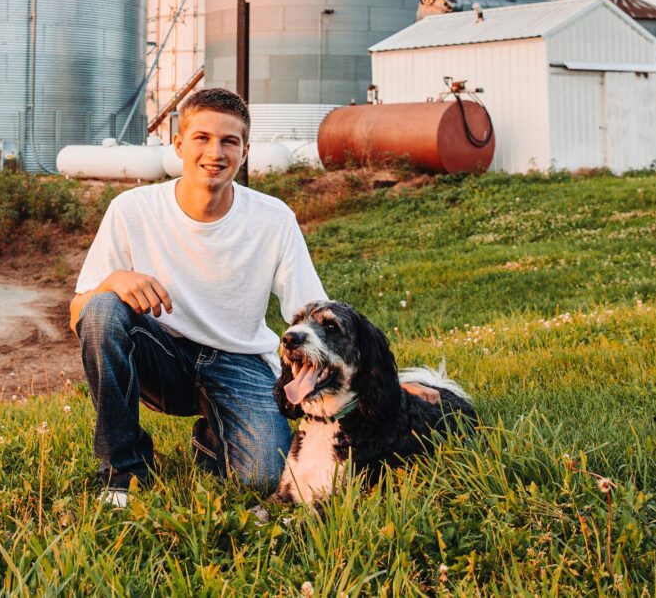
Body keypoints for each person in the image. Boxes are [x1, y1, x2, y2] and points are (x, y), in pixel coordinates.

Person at [70, 88, 436, 503]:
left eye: (229, 141)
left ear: (245, 151)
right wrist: (112, 281)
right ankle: (125, 471)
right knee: (102, 310)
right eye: (202, 138)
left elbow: (318, 318)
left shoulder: (273, 218)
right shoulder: (131, 209)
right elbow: (79, 314)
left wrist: (392, 380)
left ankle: (212, 435)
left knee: (263, 478)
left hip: (238, 362)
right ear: (178, 144)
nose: (215, 152)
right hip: (162, 357)